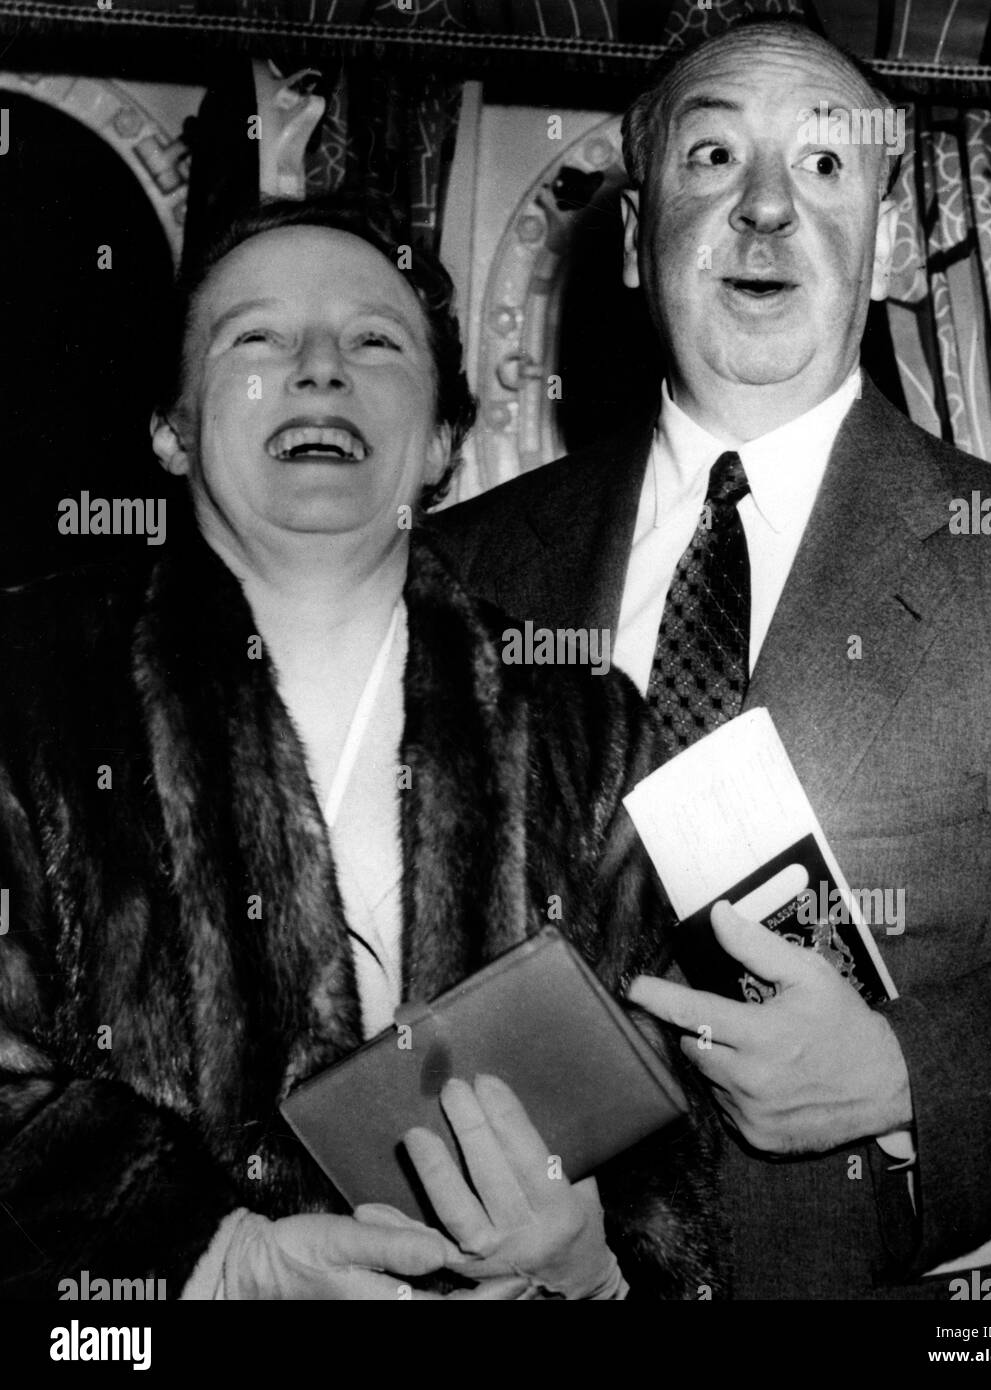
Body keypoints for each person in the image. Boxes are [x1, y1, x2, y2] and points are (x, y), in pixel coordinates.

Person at [431, 18, 991, 1299]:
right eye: (711, 157)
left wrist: (909, 1071)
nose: (762, 209)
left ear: (891, 239)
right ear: (637, 238)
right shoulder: (462, 570)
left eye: (822, 166)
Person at [0, 196, 719, 1300]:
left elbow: (667, 1125)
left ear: (441, 441)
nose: (321, 369)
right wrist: (213, 1262)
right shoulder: (22, 683)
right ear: (173, 426)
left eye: (376, 340)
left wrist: (594, 1271)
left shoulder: (591, 730)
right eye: (257, 338)